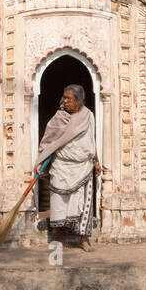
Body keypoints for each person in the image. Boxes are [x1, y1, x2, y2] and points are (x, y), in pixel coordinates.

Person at [34, 84, 102, 252]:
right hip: (61, 167)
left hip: (84, 167)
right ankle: (57, 238)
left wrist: (96, 161)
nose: (65, 101)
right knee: (58, 202)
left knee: (83, 203)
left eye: (68, 98)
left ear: (78, 101)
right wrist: (40, 161)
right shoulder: (59, 118)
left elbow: (92, 141)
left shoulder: (88, 116)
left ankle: (83, 239)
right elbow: (48, 142)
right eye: (64, 98)